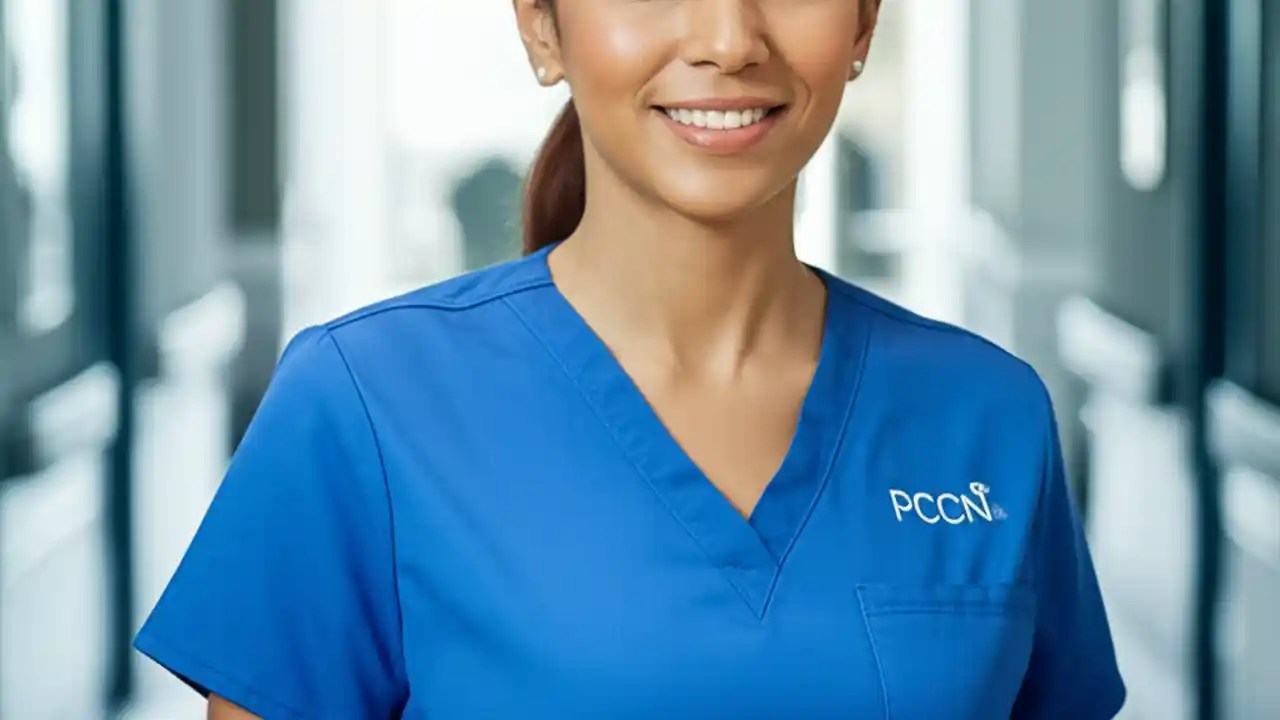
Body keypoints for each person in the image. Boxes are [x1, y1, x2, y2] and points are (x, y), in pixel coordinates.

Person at [134, 1, 1127, 717]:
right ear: (541, 26)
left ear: (864, 23)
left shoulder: (987, 416)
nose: (729, 39)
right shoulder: (362, 405)